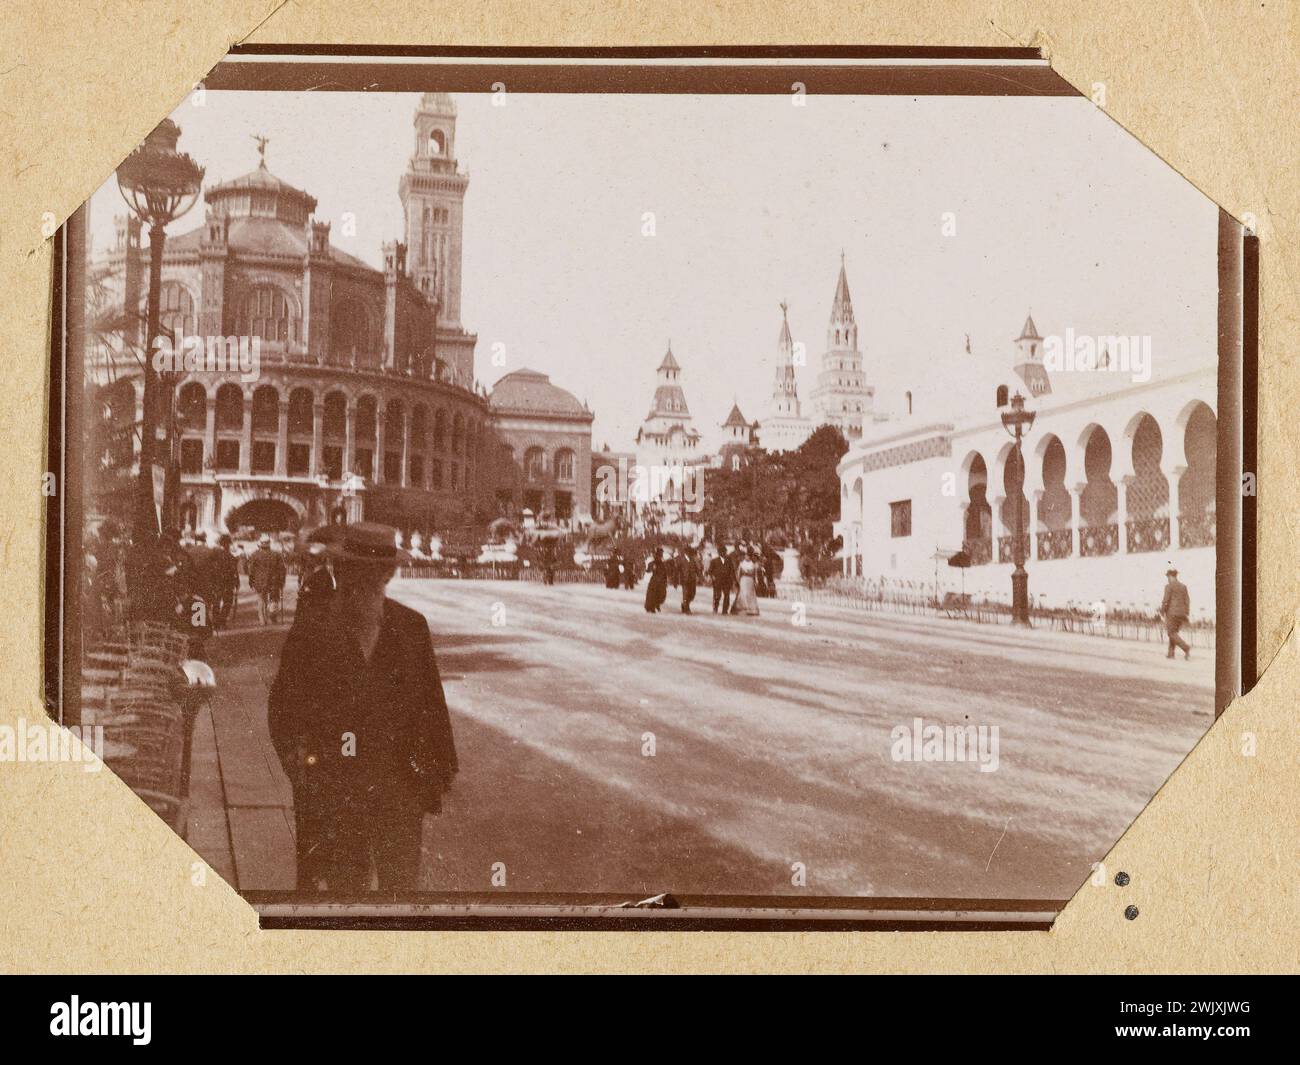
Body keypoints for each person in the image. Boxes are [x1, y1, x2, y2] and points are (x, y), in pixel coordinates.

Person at [267, 522, 458, 892]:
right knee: (342, 891)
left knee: (398, 893)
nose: (361, 581)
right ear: (338, 570)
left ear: (389, 573)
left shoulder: (411, 627)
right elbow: (284, 710)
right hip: (334, 790)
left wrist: (434, 775)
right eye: (352, 570)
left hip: (398, 789)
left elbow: (431, 705)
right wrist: (303, 769)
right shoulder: (313, 628)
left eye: (372, 573)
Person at [247, 534, 283, 626]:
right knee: (270, 599)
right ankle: (269, 616)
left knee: (261, 600)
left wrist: (251, 581)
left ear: (260, 544)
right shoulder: (276, 554)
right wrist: (281, 582)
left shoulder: (255, 554)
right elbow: (281, 569)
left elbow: (250, 570)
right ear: (269, 544)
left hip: (259, 581)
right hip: (273, 581)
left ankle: (262, 620)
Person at [296, 541, 335, 621]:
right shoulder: (317, 573)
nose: (310, 559)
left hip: (315, 613)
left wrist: (306, 591)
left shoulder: (322, 575)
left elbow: (321, 594)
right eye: (310, 556)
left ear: (320, 559)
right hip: (314, 611)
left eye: (313, 557)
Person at [1160, 567, 1191, 660]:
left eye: (1168, 577)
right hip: (1181, 614)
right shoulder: (1183, 586)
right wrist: (1186, 612)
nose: (1168, 579)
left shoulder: (1169, 586)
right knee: (1174, 632)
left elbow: (1166, 600)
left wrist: (1162, 611)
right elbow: (1187, 600)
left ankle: (1185, 647)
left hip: (1172, 613)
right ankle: (1171, 653)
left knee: (1171, 633)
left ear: (1171, 576)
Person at [735, 547, 760, 616]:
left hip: (750, 581)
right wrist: (738, 581)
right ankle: (742, 608)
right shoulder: (741, 564)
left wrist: (756, 581)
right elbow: (738, 573)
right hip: (743, 580)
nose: (747, 557)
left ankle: (751, 609)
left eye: (749, 556)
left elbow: (755, 574)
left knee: (750, 594)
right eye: (746, 556)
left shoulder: (753, 564)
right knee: (743, 593)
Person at [644, 547, 669, 613]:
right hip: (657, 580)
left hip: (659, 580)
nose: (661, 555)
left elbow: (648, 570)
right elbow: (648, 570)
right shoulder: (656, 562)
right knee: (655, 594)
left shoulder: (662, 562)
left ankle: (654, 606)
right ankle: (653, 607)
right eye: (660, 553)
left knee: (658, 594)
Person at [709, 546, 733, 615]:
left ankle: (725, 610)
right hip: (717, 581)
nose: (723, 553)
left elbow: (732, 570)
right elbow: (710, 571)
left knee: (726, 595)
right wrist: (713, 577)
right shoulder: (714, 561)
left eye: (724, 551)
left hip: (727, 581)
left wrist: (732, 579)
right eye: (721, 552)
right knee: (717, 595)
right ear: (719, 553)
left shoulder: (729, 560)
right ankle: (715, 608)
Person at [678, 545, 700, 614]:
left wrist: (699, 576)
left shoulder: (693, 560)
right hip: (684, 580)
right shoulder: (681, 560)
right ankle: (687, 608)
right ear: (685, 552)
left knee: (692, 594)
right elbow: (677, 569)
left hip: (692, 579)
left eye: (690, 552)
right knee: (686, 594)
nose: (689, 553)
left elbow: (697, 569)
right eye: (688, 552)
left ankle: (684, 605)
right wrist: (677, 578)